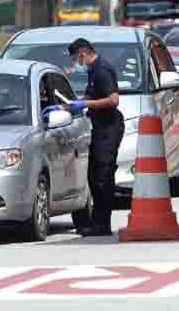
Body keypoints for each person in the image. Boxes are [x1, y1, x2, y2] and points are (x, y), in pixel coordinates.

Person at [60, 38, 124, 237]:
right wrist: (69, 105)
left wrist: (86, 105)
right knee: (94, 177)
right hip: (100, 127)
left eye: (75, 59)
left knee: (103, 177)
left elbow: (113, 99)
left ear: (82, 53)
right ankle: (96, 222)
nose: (75, 63)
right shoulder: (92, 70)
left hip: (109, 128)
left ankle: (102, 225)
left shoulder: (102, 69)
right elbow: (91, 95)